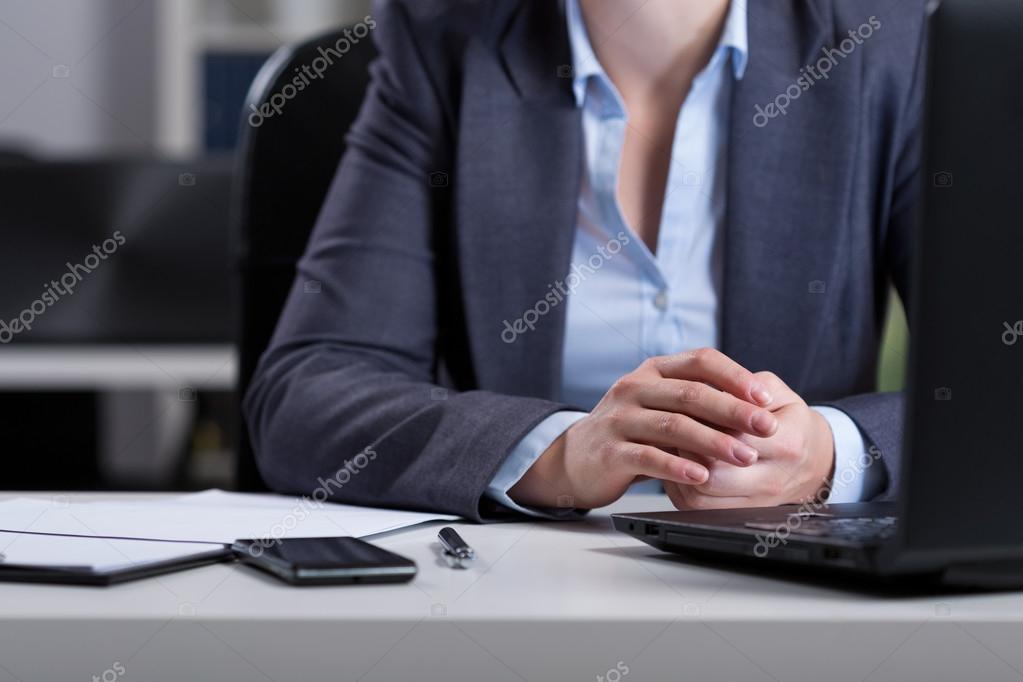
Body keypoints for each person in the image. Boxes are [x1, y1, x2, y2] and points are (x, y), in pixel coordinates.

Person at [244, 0, 929, 521]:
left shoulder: (891, 43)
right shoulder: (441, 39)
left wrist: (833, 453)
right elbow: (308, 389)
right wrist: (555, 451)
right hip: (524, 593)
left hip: (797, 597)